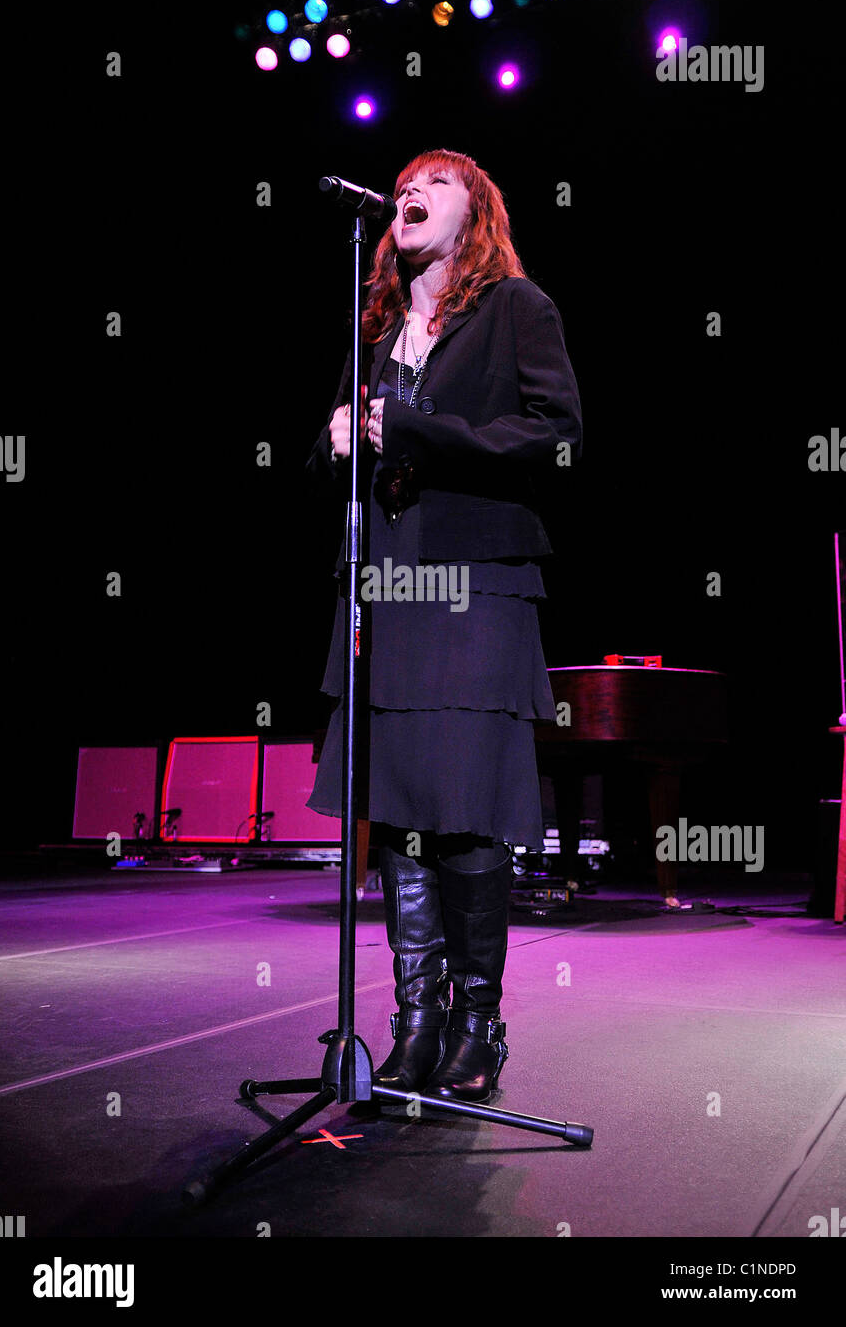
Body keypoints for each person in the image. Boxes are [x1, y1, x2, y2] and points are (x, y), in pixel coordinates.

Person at [305, 149, 582, 1103]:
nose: (412, 190)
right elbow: (336, 451)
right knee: (404, 813)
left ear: (476, 211)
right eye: (406, 181)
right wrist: (337, 436)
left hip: (475, 582)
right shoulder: (372, 323)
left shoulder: (515, 307)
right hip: (386, 584)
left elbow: (555, 434)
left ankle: (478, 1023)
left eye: (439, 179)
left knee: (464, 812)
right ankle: (413, 1019)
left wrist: (415, 430)